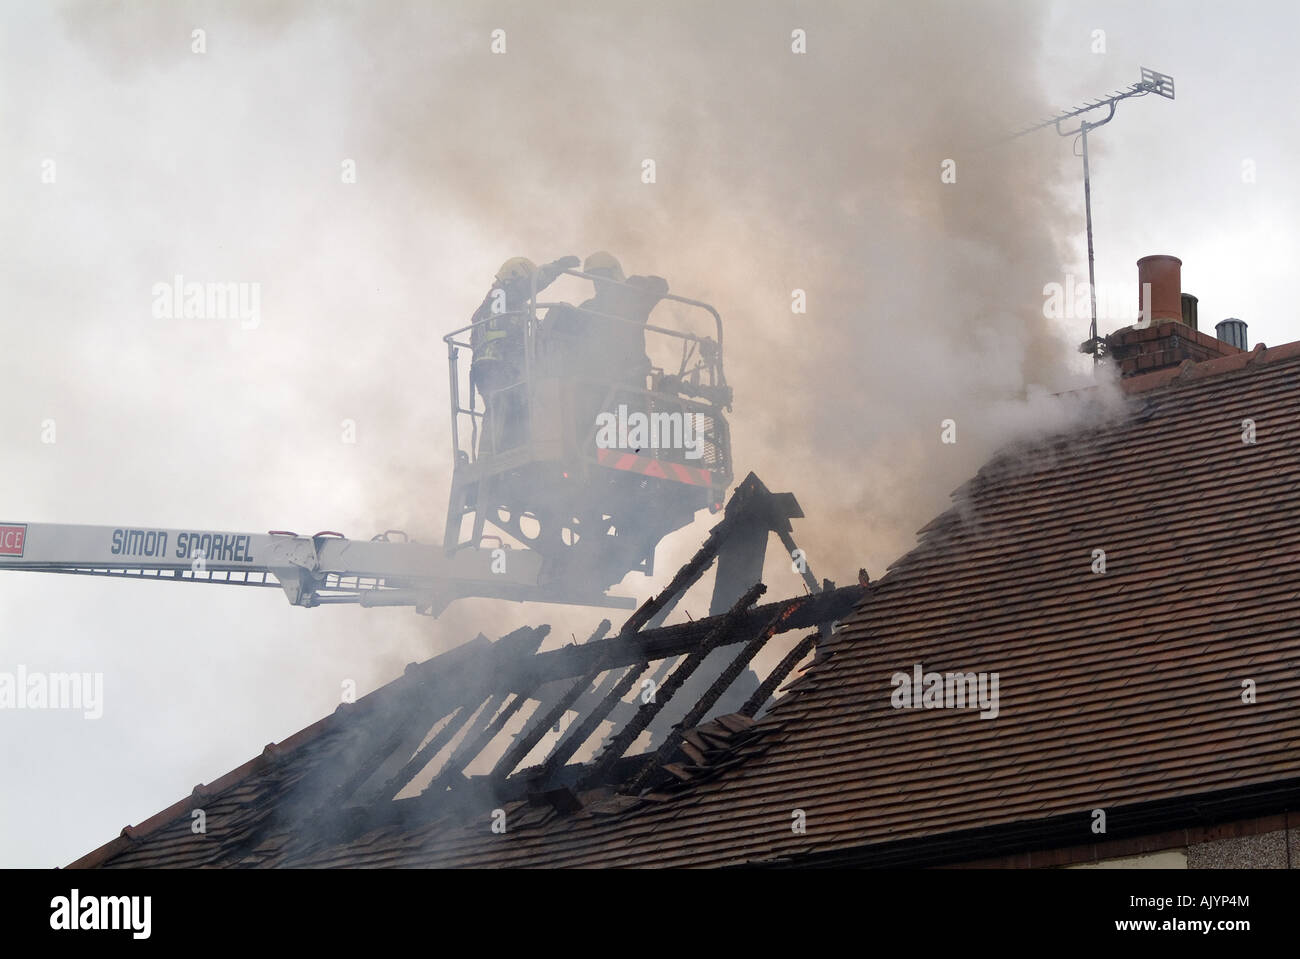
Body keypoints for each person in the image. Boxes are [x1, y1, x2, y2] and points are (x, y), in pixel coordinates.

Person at [469, 254, 578, 450]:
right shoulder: (503, 294)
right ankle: (499, 452)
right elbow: (532, 284)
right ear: (516, 276)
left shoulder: (486, 306)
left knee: (499, 410)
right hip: (498, 363)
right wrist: (558, 266)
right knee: (506, 406)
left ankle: (495, 453)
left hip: (484, 366)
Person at [578, 251, 669, 386]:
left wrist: (641, 283)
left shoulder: (632, 296)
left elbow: (661, 286)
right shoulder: (589, 306)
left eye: (601, 276)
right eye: (595, 278)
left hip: (630, 375)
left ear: (614, 274)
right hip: (599, 377)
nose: (598, 282)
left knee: (624, 407)